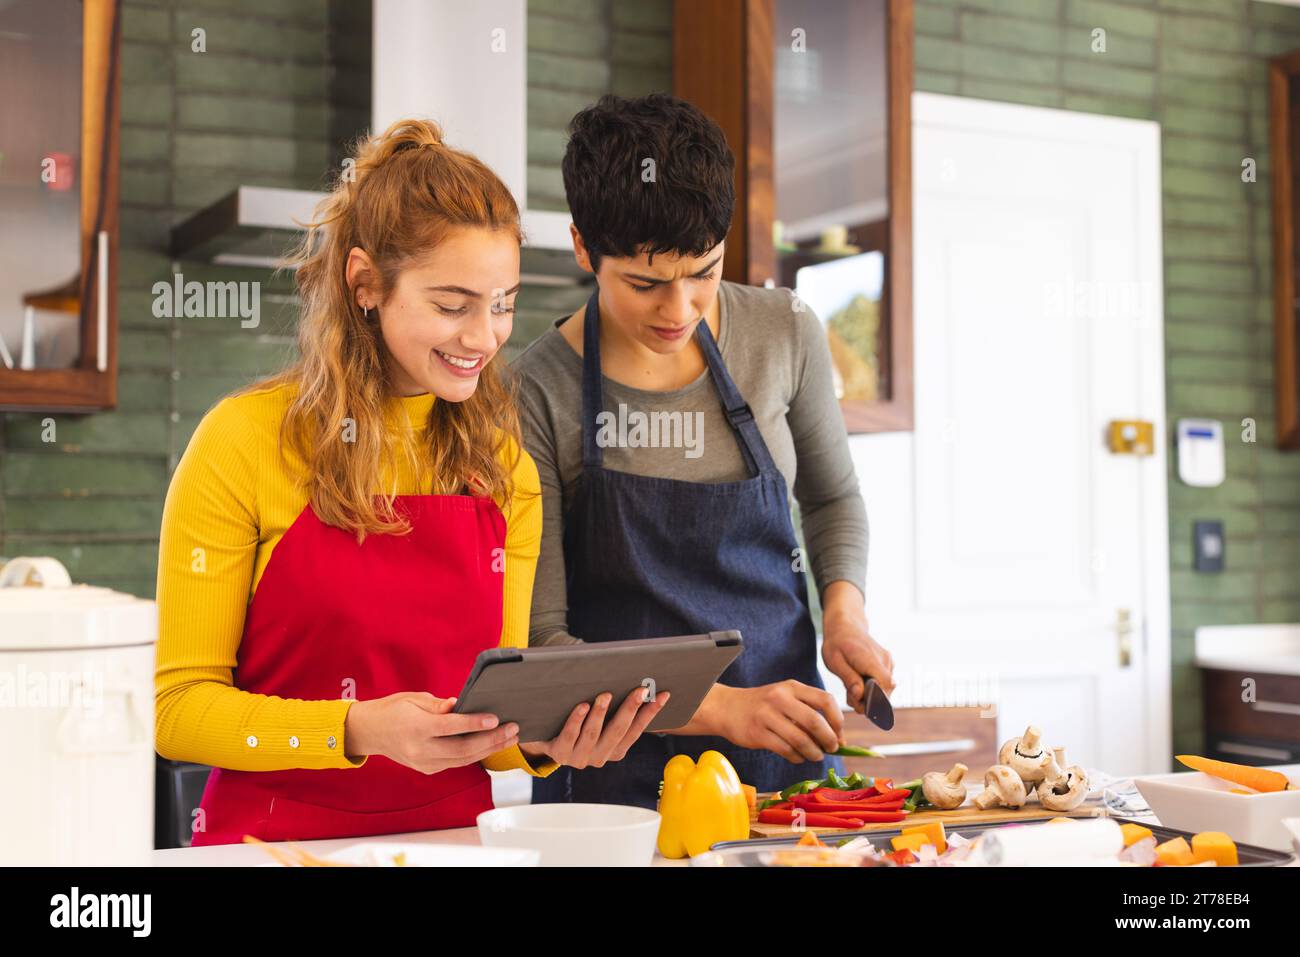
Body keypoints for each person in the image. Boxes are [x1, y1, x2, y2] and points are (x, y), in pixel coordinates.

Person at [154, 118, 666, 845]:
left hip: (452, 847)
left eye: (503, 304)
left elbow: (496, 722)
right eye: (453, 305)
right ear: (365, 282)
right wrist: (356, 727)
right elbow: (177, 710)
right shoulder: (241, 443)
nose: (484, 337)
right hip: (269, 848)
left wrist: (549, 743)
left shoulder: (502, 466)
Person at [512, 93, 895, 809]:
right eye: (646, 283)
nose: (679, 309)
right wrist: (726, 709)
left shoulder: (785, 331)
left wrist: (846, 614)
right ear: (581, 247)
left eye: (704, 271)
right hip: (609, 786)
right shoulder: (537, 389)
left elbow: (833, 497)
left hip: (784, 766)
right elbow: (544, 646)